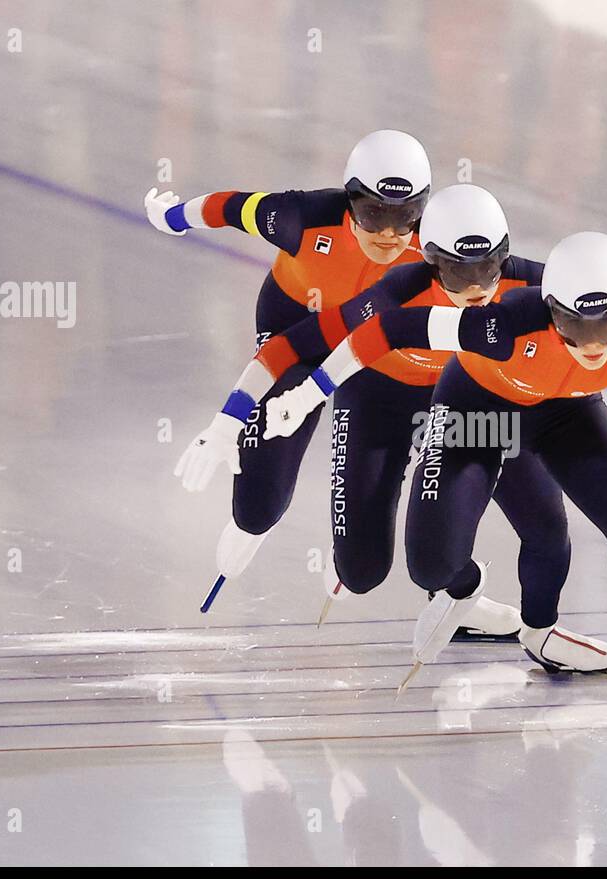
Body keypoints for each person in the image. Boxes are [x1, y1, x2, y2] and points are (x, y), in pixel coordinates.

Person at [176, 186, 607, 668]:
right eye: (459, 276)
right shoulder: (395, 293)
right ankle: (459, 584)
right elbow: (295, 346)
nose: (479, 287)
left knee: (546, 527)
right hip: (379, 399)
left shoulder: (533, 286)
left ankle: (535, 629)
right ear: (431, 263)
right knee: (361, 570)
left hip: (475, 405)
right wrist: (230, 418)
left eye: (490, 268)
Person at [263, 232, 607, 718]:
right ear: (550, 309)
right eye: (574, 327)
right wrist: (304, 396)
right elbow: (382, 332)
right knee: (432, 567)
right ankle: (465, 589)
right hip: (478, 414)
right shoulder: (501, 325)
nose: (593, 345)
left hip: (567, 415)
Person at [143, 130, 430, 596]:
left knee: (364, 549)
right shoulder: (301, 217)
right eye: (374, 213)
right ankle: (253, 523)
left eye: (405, 218)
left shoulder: (437, 244)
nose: (389, 235)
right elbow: (229, 207)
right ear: (349, 201)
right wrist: (173, 217)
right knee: (260, 494)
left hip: (375, 344)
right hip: (300, 325)